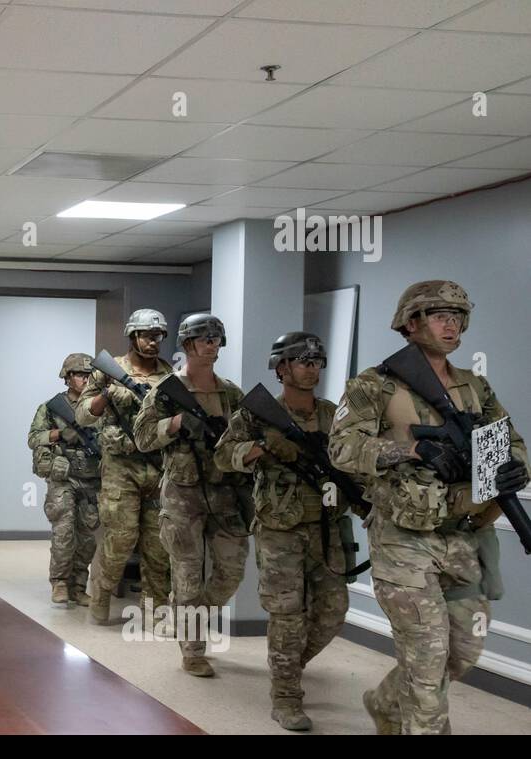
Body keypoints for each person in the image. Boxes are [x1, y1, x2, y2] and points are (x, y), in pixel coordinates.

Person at [329, 281, 527, 734]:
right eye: (439, 315)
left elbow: (509, 442)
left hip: (463, 532)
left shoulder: (473, 386)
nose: (451, 324)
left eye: (457, 316)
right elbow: (341, 450)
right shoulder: (373, 386)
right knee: (427, 658)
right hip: (404, 538)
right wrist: (411, 451)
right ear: (411, 323)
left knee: (463, 648)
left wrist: (515, 469)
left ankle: (384, 702)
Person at [215, 332, 351, 730]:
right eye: (302, 361)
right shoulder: (257, 414)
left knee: (333, 611)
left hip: (327, 526)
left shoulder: (332, 414)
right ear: (281, 368)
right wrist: (262, 447)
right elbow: (224, 455)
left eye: (316, 362)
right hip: (280, 527)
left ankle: (286, 664)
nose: (311, 369)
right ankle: (286, 693)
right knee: (287, 614)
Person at [133, 314, 251, 677]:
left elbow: (246, 435)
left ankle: (190, 614)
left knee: (231, 572)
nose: (212, 345)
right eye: (205, 339)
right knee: (186, 574)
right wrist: (177, 424)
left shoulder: (230, 393)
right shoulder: (167, 392)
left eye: (217, 339)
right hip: (182, 494)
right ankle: (193, 648)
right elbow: (143, 438)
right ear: (188, 345)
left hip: (225, 492)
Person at [77, 309, 174, 626]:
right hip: (121, 466)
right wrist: (107, 394)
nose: (152, 342)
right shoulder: (109, 370)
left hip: (158, 466)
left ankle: (156, 610)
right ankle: (102, 592)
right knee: (120, 539)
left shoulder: (169, 375)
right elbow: (83, 415)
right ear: (133, 336)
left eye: (157, 336)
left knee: (158, 546)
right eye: (146, 335)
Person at [28, 354, 101, 607]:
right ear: (68, 377)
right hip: (64, 477)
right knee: (64, 530)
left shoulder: (98, 406)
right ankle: (59, 582)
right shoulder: (51, 407)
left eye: (89, 375)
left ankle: (79, 586)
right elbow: (33, 438)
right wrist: (61, 434)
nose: (85, 379)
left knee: (88, 536)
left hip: (92, 478)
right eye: (80, 374)